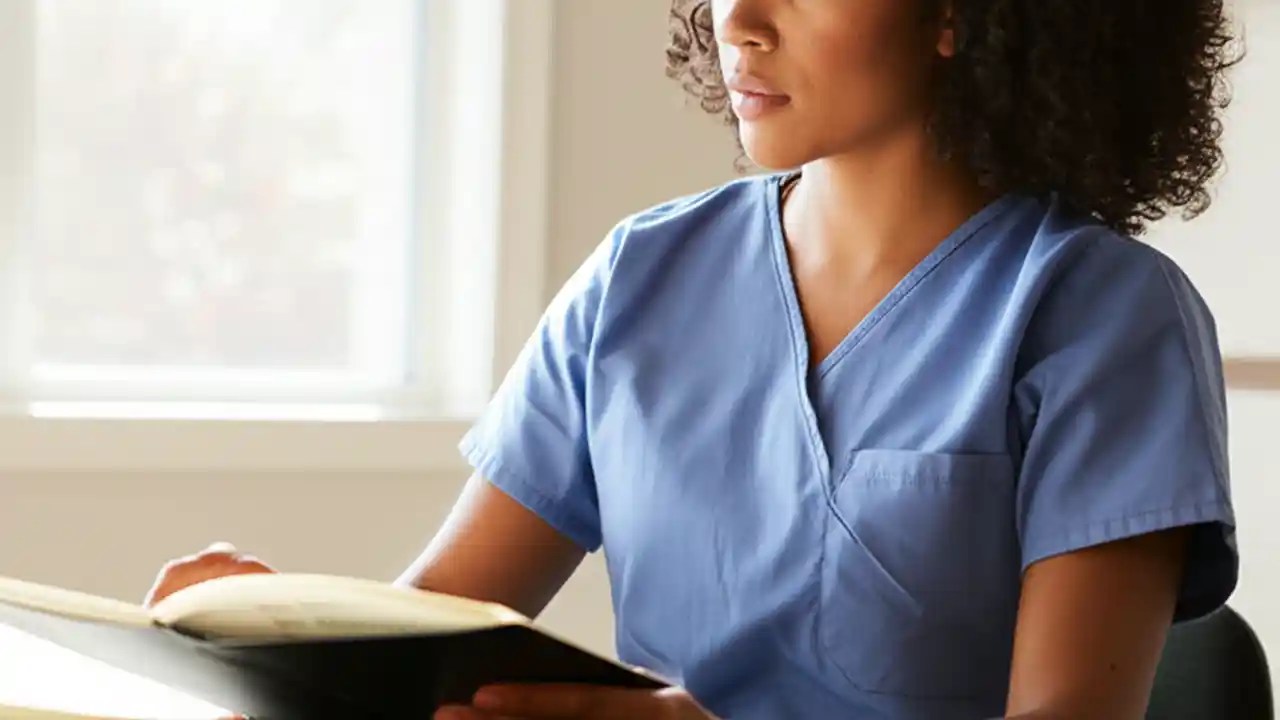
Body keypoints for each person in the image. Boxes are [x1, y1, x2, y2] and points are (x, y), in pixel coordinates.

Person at [147, 0, 1244, 717]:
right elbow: (434, 628)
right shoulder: (640, 278)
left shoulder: (1098, 317)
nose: (738, 20)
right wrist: (273, 639)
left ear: (960, 13)